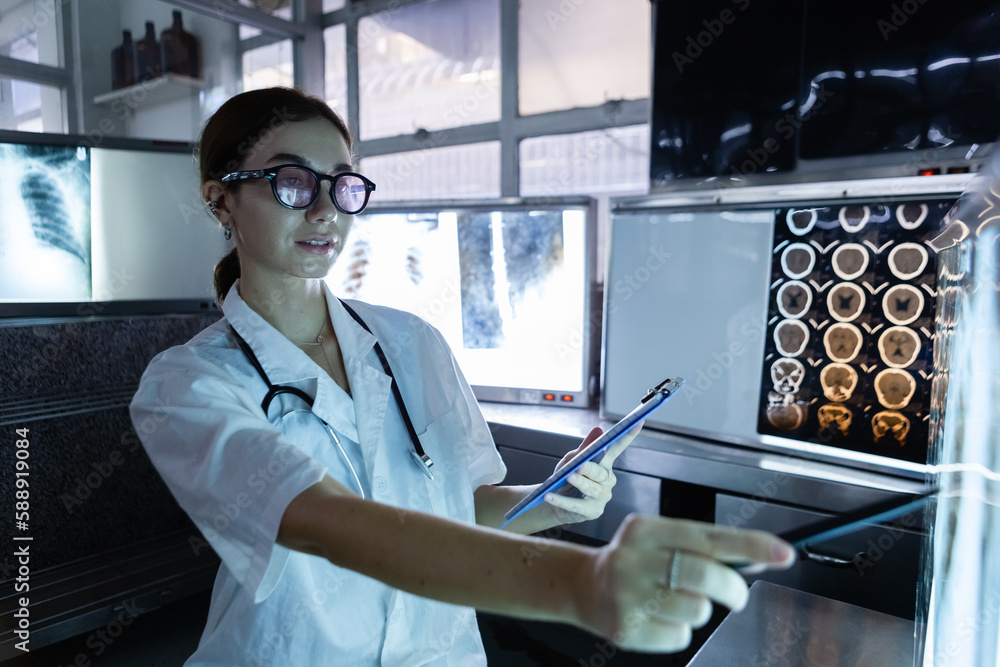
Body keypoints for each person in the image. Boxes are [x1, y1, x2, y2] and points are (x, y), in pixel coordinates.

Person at [130, 86, 794, 666]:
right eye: (293, 182)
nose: (326, 210)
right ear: (222, 202)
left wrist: (548, 500)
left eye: (341, 183)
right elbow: (320, 521)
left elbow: (465, 509)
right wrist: (578, 582)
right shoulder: (186, 386)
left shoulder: (413, 343)